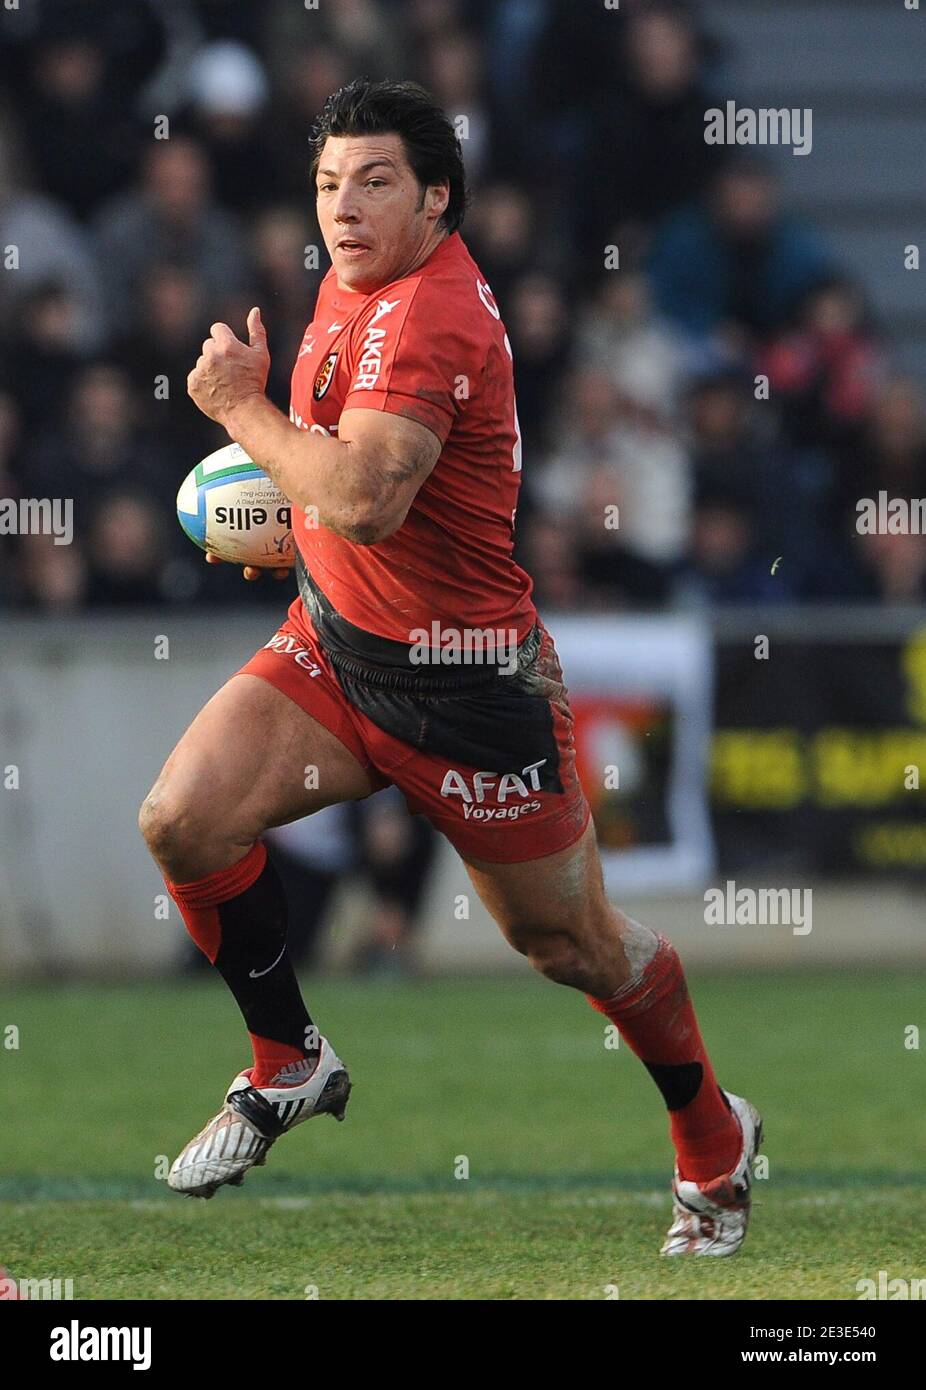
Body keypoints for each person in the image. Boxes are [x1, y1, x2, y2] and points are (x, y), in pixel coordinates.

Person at [138, 80, 761, 1257]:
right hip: (335, 645)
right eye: (328, 184)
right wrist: (288, 523)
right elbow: (339, 493)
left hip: (468, 684)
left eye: (374, 182)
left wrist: (240, 412)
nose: (343, 207)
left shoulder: (434, 312)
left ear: (436, 197)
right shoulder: (349, 280)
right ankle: (288, 1061)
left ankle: (711, 1144)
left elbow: (367, 498)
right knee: (182, 819)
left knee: (573, 946)